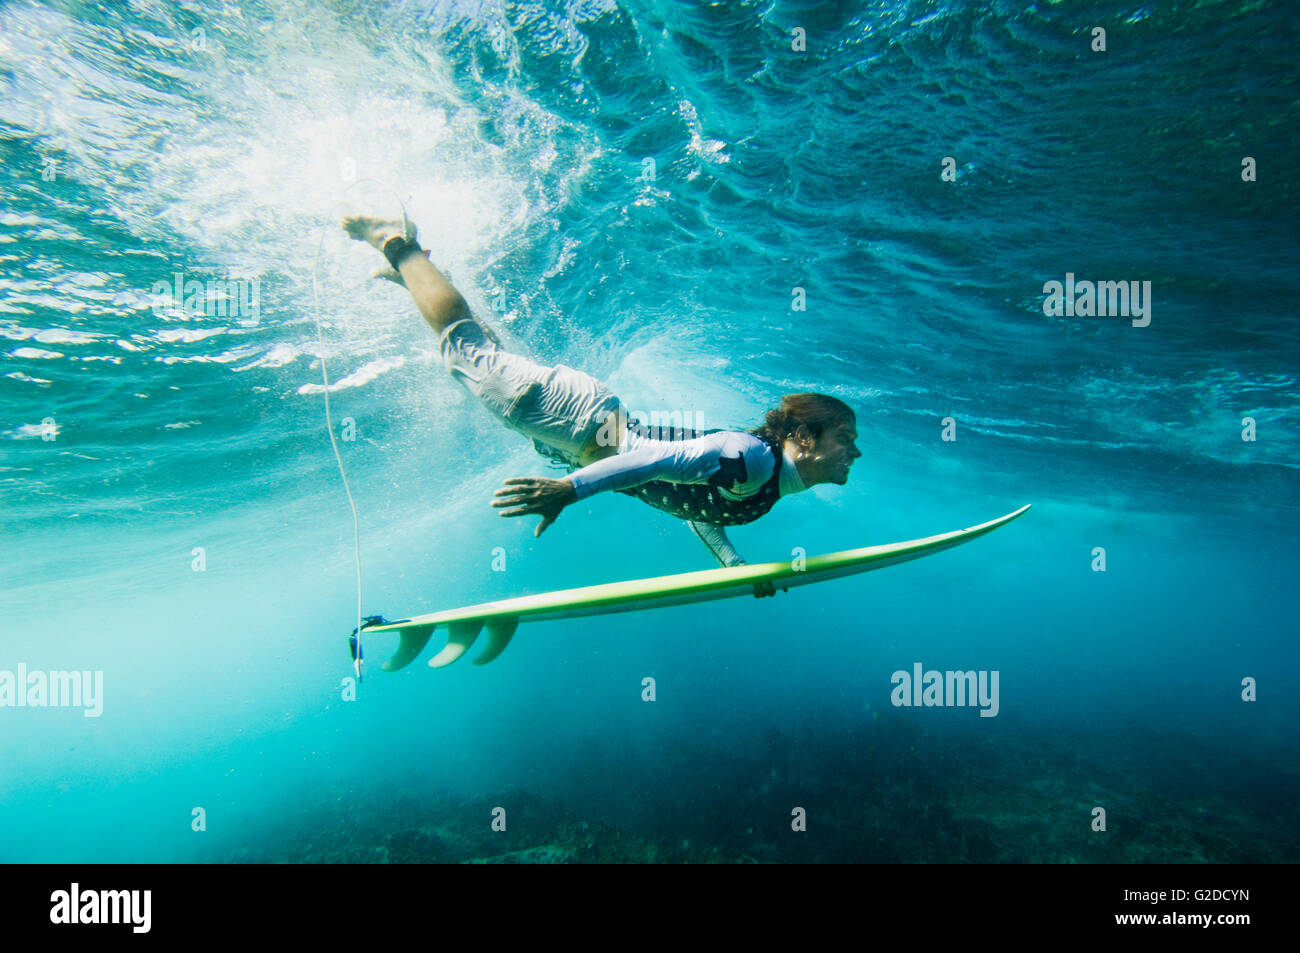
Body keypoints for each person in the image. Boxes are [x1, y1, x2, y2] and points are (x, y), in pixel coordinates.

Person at [343, 215, 861, 596]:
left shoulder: (763, 485)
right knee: (468, 353)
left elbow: (697, 508)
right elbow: (652, 460)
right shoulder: (750, 457)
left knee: (486, 365)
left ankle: (416, 277)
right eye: (847, 439)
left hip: (576, 437)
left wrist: (733, 565)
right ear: (806, 437)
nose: (854, 453)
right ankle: (400, 245)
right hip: (581, 423)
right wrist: (569, 491)